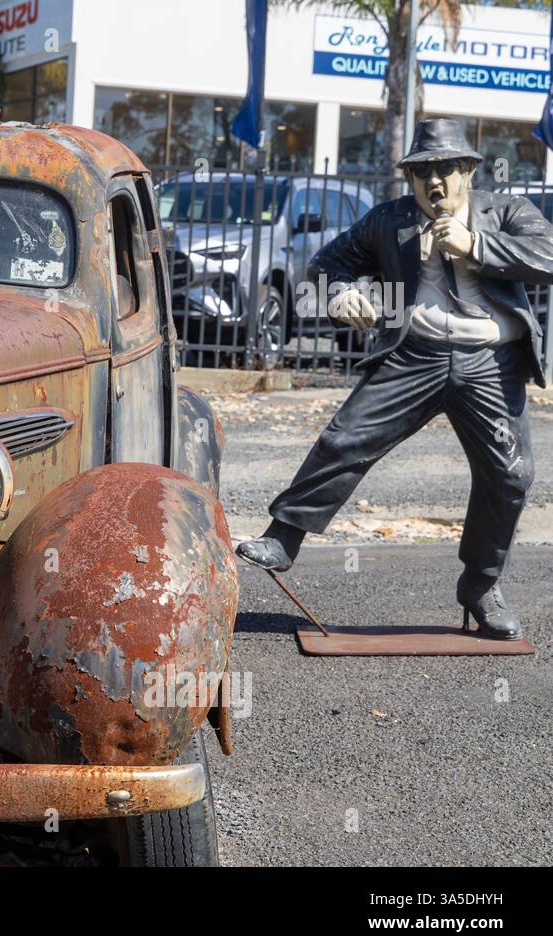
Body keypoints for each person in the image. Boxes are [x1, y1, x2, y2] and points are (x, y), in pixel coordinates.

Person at [236, 118, 551, 639]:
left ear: (469, 171)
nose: (435, 183)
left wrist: (476, 245)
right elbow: (323, 265)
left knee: (511, 476)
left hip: (489, 361)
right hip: (415, 354)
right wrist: (339, 294)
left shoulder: (507, 212)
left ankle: (481, 584)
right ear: (409, 180)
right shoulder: (389, 221)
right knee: (348, 436)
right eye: (423, 172)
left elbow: (549, 257)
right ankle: (283, 538)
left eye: (446, 170)